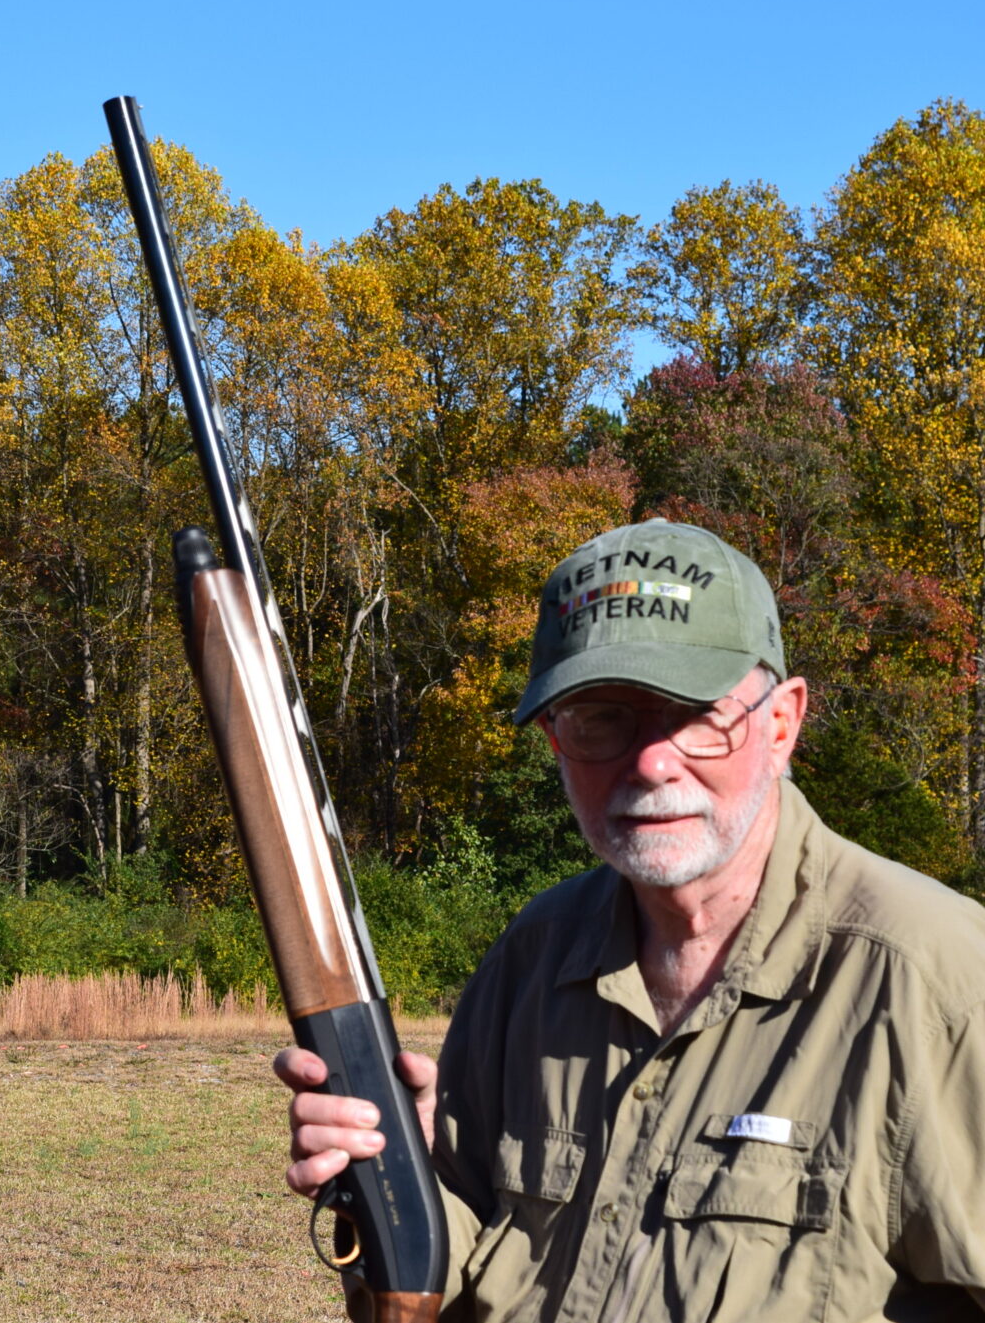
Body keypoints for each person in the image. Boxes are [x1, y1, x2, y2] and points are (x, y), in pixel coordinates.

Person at [277, 518, 985, 1321]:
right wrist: (394, 1183)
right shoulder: (530, 960)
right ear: (554, 739)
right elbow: (458, 1277)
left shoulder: (940, 984)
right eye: (600, 716)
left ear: (781, 722)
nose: (650, 761)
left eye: (695, 715)